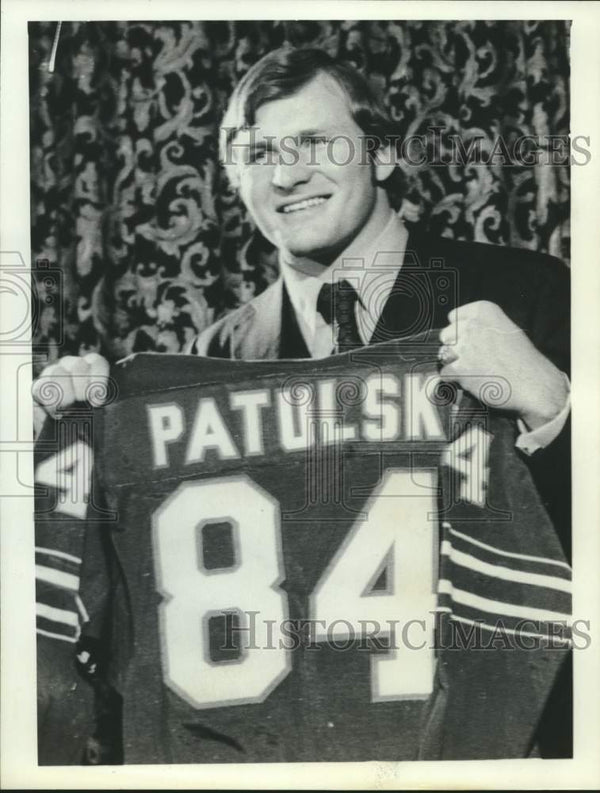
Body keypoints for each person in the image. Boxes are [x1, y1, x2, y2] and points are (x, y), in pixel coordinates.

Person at [33, 46, 571, 756]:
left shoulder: (530, 292)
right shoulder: (216, 352)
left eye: (316, 142)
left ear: (380, 156)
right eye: (258, 154)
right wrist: (60, 446)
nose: (287, 174)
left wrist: (553, 407)